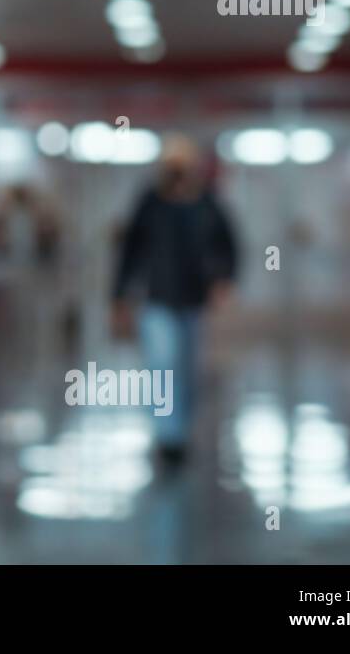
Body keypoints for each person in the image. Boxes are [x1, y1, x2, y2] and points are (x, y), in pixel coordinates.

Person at [111, 133, 238, 466]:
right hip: (157, 300)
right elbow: (131, 249)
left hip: (193, 301)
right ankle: (169, 437)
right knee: (162, 366)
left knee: (187, 370)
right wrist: (120, 295)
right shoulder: (150, 201)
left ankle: (180, 428)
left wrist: (223, 278)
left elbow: (228, 244)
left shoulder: (206, 202)